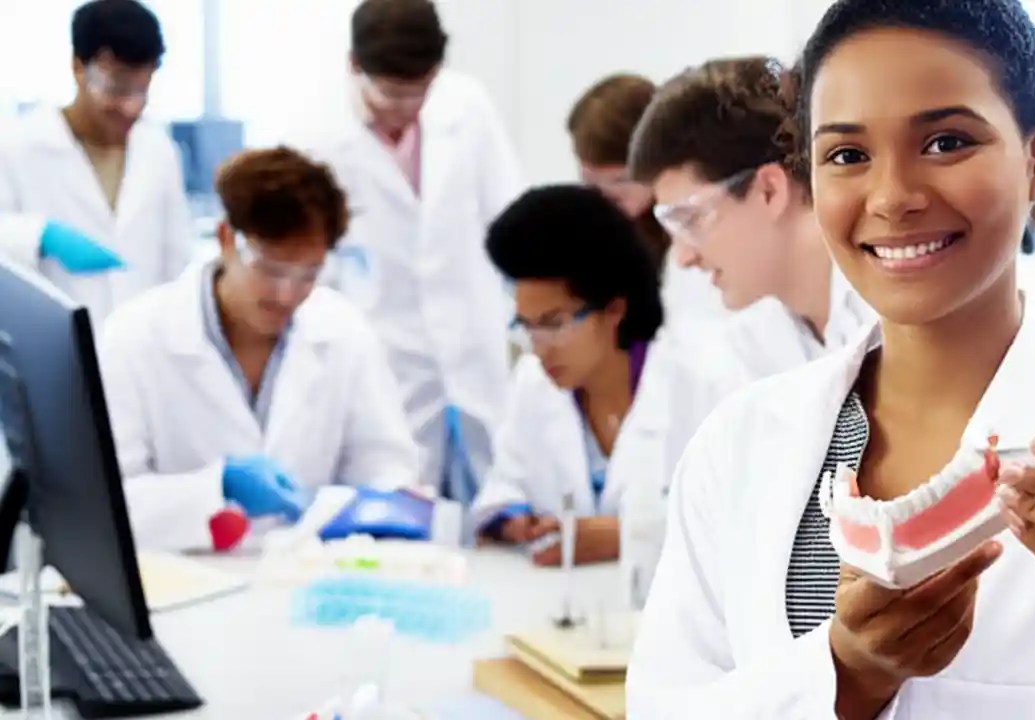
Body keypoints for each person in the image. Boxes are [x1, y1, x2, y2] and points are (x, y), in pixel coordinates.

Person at [627, 1, 1035, 717]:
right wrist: (845, 676)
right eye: (847, 155)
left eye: (948, 141)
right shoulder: (737, 442)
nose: (893, 198)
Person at [99, 147, 419, 553]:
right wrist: (213, 488)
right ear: (226, 238)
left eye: (309, 274)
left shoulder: (344, 333)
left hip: (309, 583)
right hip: (182, 588)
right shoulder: (135, 336)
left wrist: (385, 506)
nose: (287, 294)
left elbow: (385, 469)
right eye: (270, 269)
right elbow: (107, 504)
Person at [301, 0, 524, 502]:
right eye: (392, 92)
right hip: (383, 351)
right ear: (353, 65)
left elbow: (507, 216)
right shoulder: (317, 137)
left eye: (420, 90)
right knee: (399, 502)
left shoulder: (467, 106)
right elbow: (315, 268)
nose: (407, 107)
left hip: (472, 339)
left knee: (498, 503)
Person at [629, 55, 876, 379]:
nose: (685, 258)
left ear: (769, 191)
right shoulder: (754, 343)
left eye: (691, 220)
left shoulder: (893, 303)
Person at [470, 185, 669, 567]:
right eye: (527, 326)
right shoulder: (534, 383)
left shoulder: (692, 383)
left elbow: (737, 522)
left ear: (613, 309)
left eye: (554, 324)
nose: (539, 347)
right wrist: (513, 520)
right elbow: (504, 484)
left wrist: (626, 536)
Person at [0, 0, 192, 325]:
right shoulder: (18, 145)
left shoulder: (158, 151)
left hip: (141, 349)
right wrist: (38, 236)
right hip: (56, 345)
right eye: (115, 88)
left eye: (140, 91)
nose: (129, 107)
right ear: (77, 67)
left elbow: (178, 265)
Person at [567, 73, 727, 337]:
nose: (606, 198)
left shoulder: (697, 229)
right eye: (592, 184)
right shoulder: (589, 231)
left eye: (619, 181)